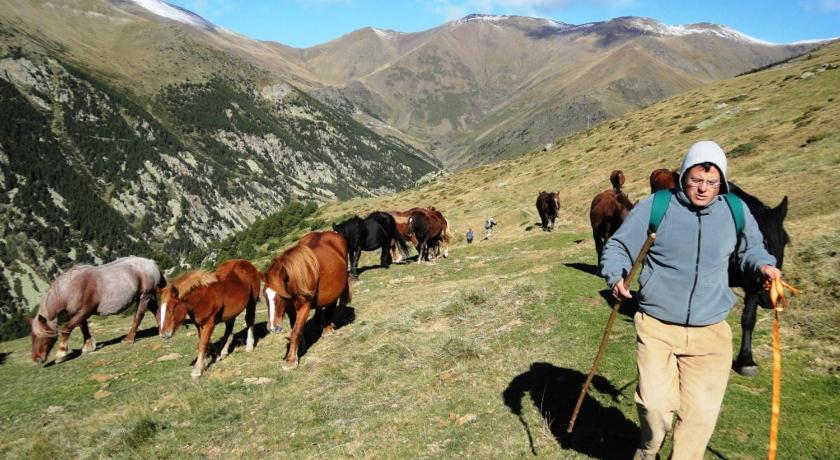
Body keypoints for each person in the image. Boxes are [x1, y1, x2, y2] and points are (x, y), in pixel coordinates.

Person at [600, 141, 781, 460]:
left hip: (710, 332)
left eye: (712, 183)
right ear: (684, 175)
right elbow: (618, 246)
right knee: (655, 409)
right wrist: (615, 274)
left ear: (721, 182)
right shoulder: (658, 205)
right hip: (657, 326)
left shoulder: (734, 211)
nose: (703, 188)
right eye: (697, 180)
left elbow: (751, 249)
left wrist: (763, 264)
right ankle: (647, 449)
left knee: (699, 417)